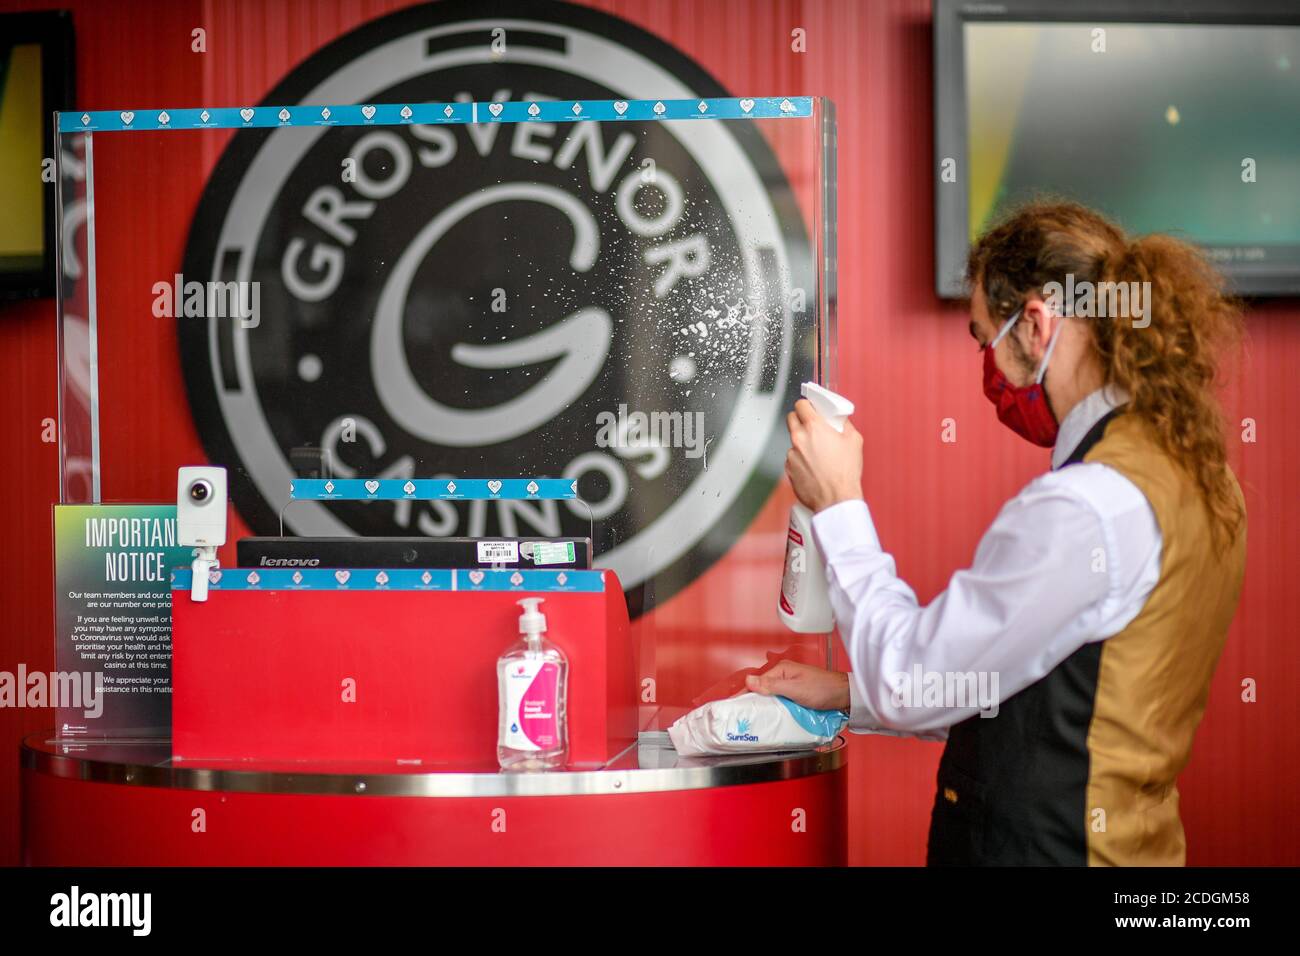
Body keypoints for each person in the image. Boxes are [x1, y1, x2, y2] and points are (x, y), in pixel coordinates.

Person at [748, 201, 1247, 866]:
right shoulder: (1195, 480)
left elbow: (909, 680)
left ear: (1036, 324)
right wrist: (848, 695)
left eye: (986, 340)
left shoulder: (1086, 507)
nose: (990, 373)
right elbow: (1050, 682)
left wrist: (839, 502)